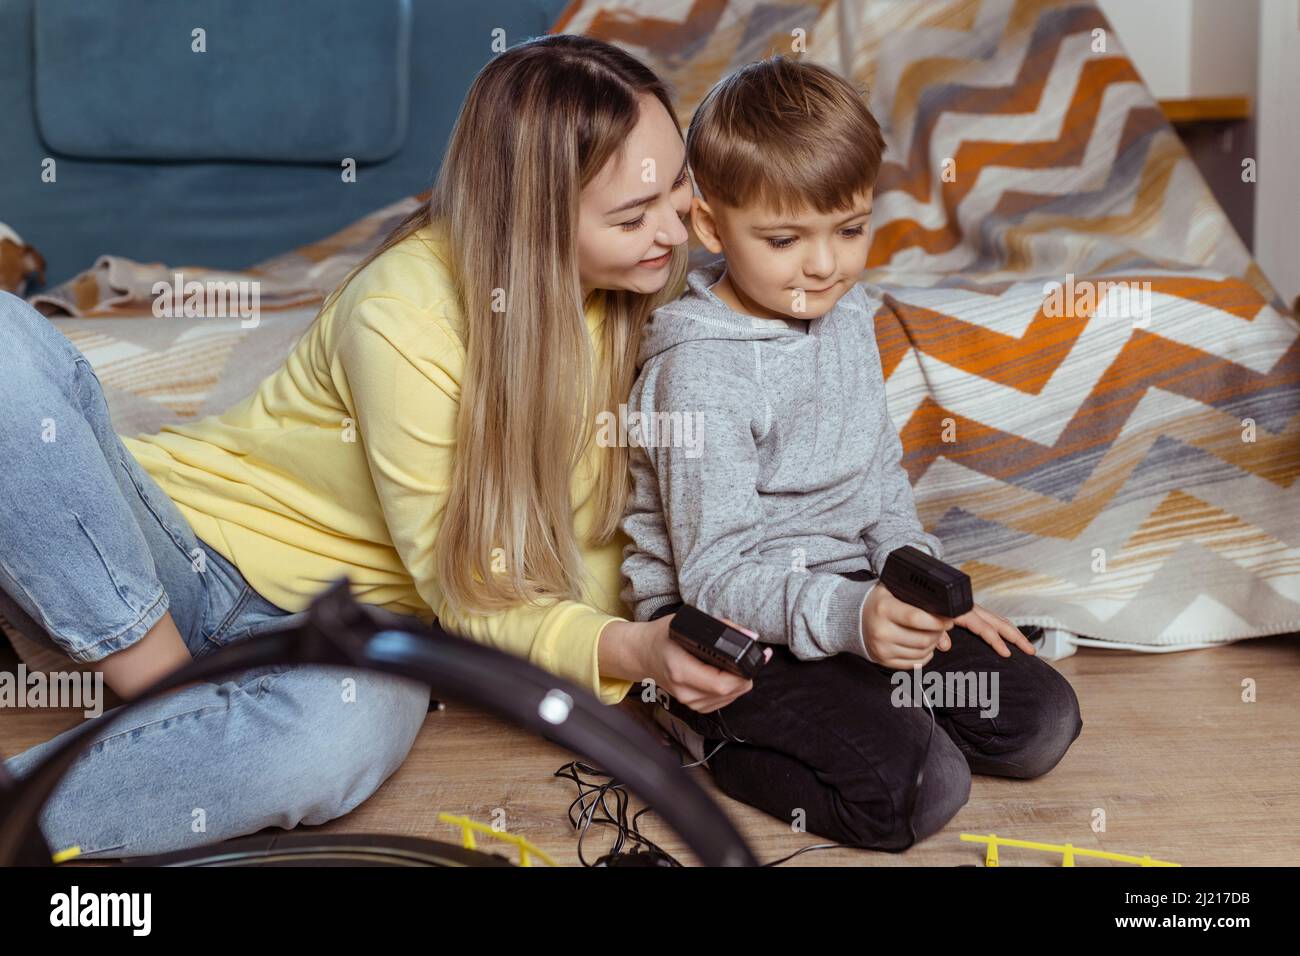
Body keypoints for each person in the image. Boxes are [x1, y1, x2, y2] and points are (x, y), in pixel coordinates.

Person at [0, 34, 743, 859]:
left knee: (334, 744)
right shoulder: (404, 314)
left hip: (362, 627)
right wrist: (633, 649)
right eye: (632, 216)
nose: (676, 229)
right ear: (528, 221)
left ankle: (28, 804)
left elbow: (572, 559)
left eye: (677, 183)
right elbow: (477, 594)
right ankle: (159, 684)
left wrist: (655, 634)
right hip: (186, 553)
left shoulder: (648, 304)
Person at [619, 55, 1083, 851]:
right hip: (731, 622)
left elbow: (876, 479)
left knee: (1043, 723)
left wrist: (924, 587)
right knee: (919, 791)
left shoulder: (844, 312)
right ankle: (713, 735)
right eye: (784, 238)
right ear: (708, 223)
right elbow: (717, 572)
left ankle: (879, 704)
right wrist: (852, 621)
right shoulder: (698, 371)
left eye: (850, 229)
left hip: (846, 599)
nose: (825, 264)